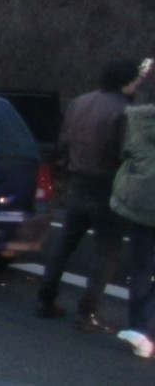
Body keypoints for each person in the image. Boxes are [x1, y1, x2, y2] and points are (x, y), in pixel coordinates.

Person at [36, 58, 144, 331]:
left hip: (78, 181)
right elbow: (129, 151)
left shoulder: (80, 102)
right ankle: (88, 311)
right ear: (127, 81)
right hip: (108, 184)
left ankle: (45, 298)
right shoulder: (125, 111)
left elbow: (64, 141)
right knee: (107, 251)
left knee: (65, 242)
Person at [116, 58, 155, 358]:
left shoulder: (137, 120)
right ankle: (144, 332)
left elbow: (125, 151)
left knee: (141, 269)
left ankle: (136, 326)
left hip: (142, 201)